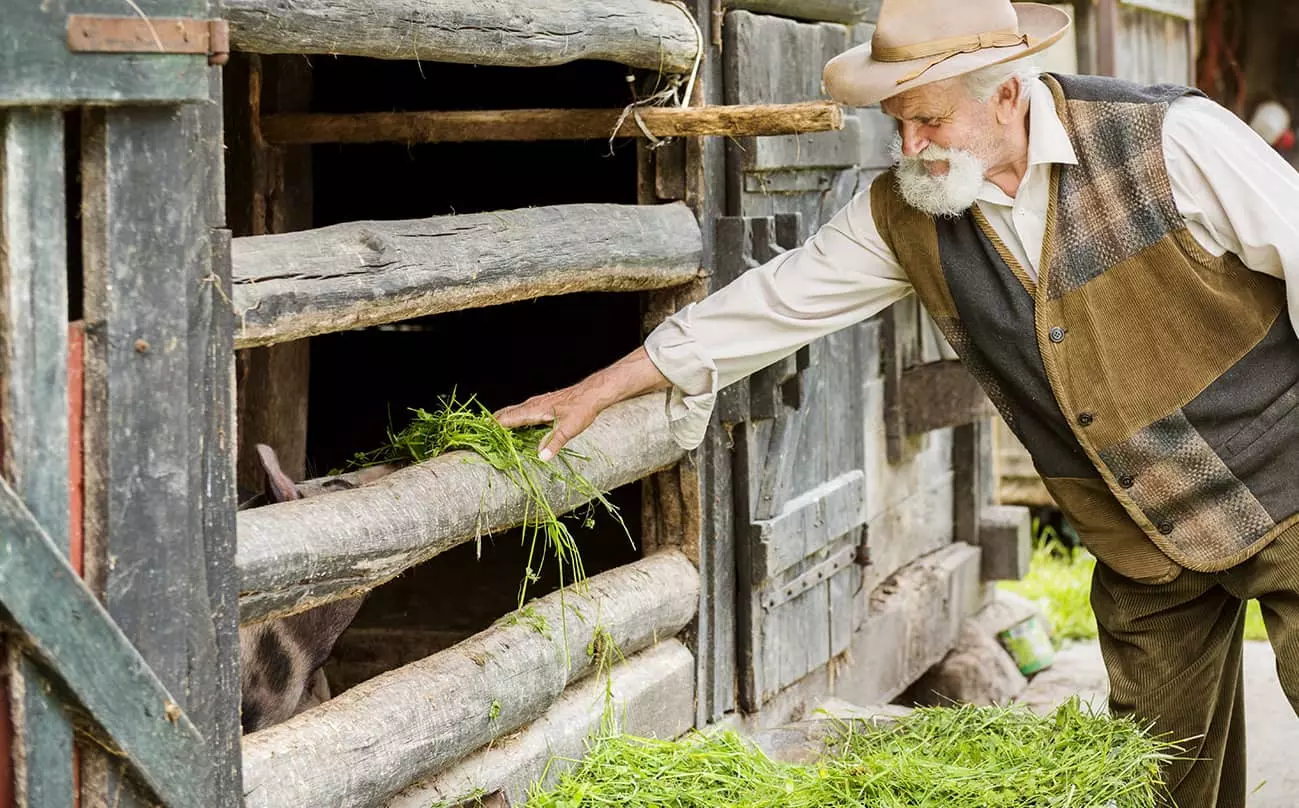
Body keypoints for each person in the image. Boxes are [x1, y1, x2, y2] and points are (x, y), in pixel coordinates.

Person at [495, 1, 1299, 804]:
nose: (910, 147)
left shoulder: (1169, 138)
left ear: (1007, 95)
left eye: (928, 120)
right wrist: (594, 388)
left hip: (1284, 485)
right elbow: (772, 303)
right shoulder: (907, 210)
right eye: (897, 124)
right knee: (1153, 782)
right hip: (1137, 543)